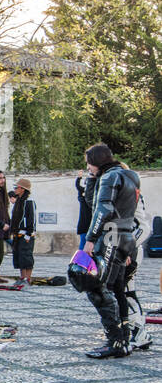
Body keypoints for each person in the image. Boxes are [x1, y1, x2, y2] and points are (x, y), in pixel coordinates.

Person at [79, 144, 141, 358]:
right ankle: (123, 340)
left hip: (109, 235)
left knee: (95, 286)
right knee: (117, 288)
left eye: (89, 162)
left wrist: (90, 239)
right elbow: (93, 203)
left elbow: (102, 210)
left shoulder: (110, 177)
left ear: (96, 160)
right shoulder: (129, 176)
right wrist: (92, 178)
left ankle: (114, 341)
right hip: (124, 236)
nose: (87, 166)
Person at [10, 178, 36, 287]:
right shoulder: (18, 202)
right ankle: (22, 277)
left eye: (17, 187)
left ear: (22, 189)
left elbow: (32, 219)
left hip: (26, 234)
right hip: (17, 234)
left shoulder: (29, 202)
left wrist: (29, 234)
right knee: (19, 256)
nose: (15, 189)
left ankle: (28, 278)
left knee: (26, 255)